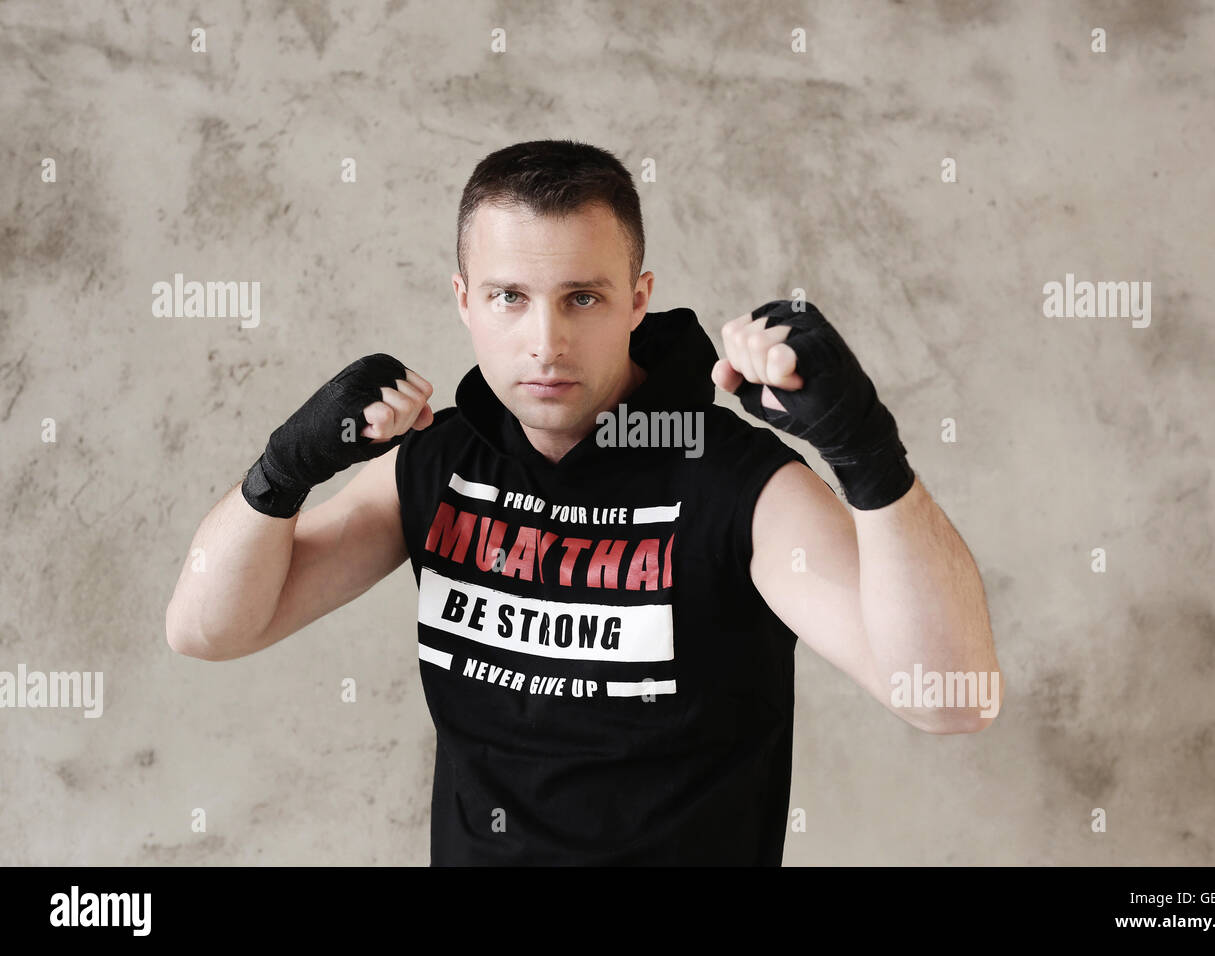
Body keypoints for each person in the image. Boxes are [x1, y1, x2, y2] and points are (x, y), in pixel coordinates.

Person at [166, 139, 1002, 866]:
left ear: (638, 299)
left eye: (583, 298)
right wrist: (283, 471)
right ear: (463, 300)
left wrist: (867, 456)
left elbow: (950, 698)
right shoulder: (437, 462)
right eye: (509, 298)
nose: (546, 343)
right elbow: (207, 630)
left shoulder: (734, 482)